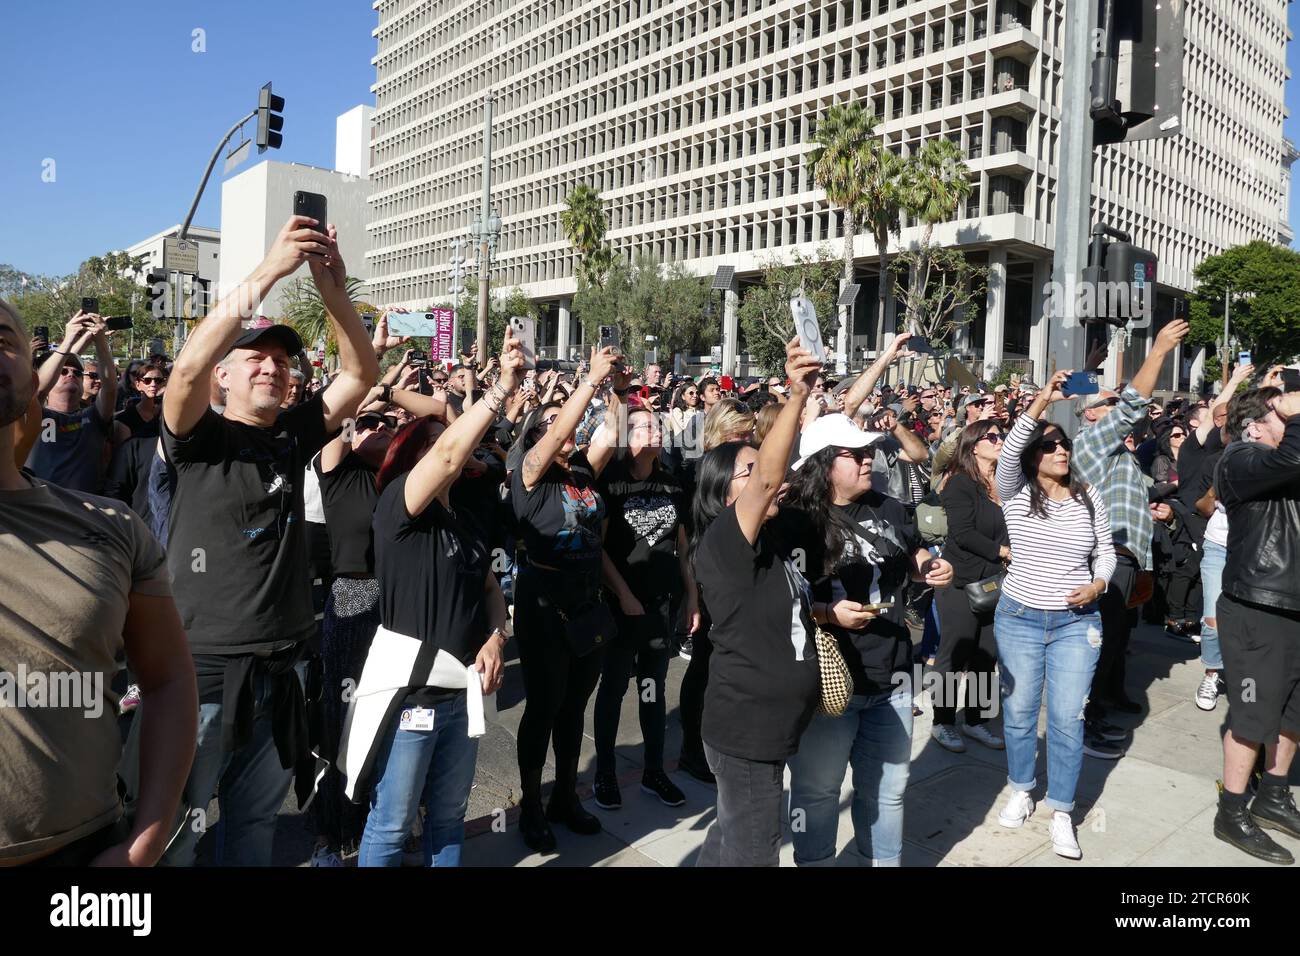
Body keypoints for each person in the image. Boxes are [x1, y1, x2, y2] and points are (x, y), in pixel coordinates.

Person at [157, 216, 380, 866]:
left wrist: (329, 287)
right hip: (201, 678)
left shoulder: (291, 434)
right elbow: (185, 368)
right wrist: (270, 270)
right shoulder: (199, 438)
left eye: (283, 361)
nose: (274, 369)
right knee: (175, 838)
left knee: (251, 832)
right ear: (222, 377)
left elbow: (360, 373)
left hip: (285, 672)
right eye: (256, 357)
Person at [0, 298, 198, 866]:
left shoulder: (114, 530)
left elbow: (167, 680)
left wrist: (144, 844)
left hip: (83, 857)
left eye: (2, 338)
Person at [338, 331, 523, 866]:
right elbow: (445, 454)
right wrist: (495, 394)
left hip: (461, 698)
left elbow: (490, 589)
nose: (459, 448)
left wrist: (495, 635)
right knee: (392, 825)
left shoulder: (464, 521)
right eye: (444, 441)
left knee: (448, 819)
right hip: (410, 699)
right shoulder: (398, 508)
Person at [781, 414, 954, 866]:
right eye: (854, 454)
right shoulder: (794, 521)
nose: (867, 460)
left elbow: (912, 548)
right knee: (816, 794)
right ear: (822, 462)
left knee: (888, 794)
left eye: (868, 452)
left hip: (893, 678)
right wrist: (825, 612)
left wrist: (926, 566)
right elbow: (771, 603)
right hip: (829, 685)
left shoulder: (889, 506)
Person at [691, 337, 821, 867]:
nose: (770, 482)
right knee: (753, 855)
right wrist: (794, 393)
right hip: (746, 735)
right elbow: (769, 475)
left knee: (729, 838)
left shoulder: (769, 542)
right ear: (726, 495)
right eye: (746, 473)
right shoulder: (725, 541)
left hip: (766, 732)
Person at [993, 369, 1115, 860]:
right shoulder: (1016, 494)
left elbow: (1104, 551)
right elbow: (1007, 453)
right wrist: (1044, 398)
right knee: (1021, 712)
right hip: (1019, 616)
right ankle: (1022, 787)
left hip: (1076, 623)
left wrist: (1099, 582)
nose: (1060, 451)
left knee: (1067, 717)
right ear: (1032, 457)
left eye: (1063, 445)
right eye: (1049, 447)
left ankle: (1061, 809)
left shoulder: (1089, 497)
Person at [509, 345, 624, 853]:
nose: (567, 429)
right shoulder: (529, 474)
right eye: (554, 423)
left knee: (575, 706)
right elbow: (557, 430)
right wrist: (586, 381)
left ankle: (564, 798)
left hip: (586, 602)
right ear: (535, 435)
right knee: (544, 706)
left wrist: (613, 387)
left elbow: (612, 431)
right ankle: (531, 803)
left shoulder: (580, 473)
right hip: (544, 605)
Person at [1072, 319, 1189, 747]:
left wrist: (1161, 511)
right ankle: (1088, 714)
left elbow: (1142, 495)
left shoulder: (1121, 456)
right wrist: (1157, 351)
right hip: (1108, 558)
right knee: (1098, 643)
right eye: (1109, 404)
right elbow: (1133, 407)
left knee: (1118, 639)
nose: (1118, 409)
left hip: (1132, 558)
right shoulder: (1088, 444)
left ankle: (1109, 696)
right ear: (1092, 414)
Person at [593, 401, 700, 810]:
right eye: (644, 428)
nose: (655, 432)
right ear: (626, 436)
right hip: (621, 609)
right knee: (613, 689)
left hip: (658, 609)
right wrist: (622, 593)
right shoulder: (611, 484)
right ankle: (605, 773)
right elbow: (599, 549)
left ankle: (654, 772)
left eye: (658, 426)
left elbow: (683, 546)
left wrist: (692, 597)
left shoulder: (673, 485)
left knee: (652, 691)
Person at [1212, 386, 1300, 865]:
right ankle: (1232, 809)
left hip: (1294, 605)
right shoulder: (1239, 459)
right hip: (1256, 605)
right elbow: (1291, 459)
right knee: (1251, 713)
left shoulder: (1286, 463)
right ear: (1255, 426)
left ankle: (1274, 796)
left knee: (1293, 713)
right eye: (1284, 416)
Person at [930, 420, 1010, 752]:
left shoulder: (1005, 482)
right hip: (960, 581)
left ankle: (975, 721)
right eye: (992, 436)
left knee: (986, 654)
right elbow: (962, 533)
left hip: (994, 581)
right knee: (955, 652)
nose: (999, 440)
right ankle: (943, 722)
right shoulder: (959, 484)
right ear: (974, 445)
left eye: (1001, 435)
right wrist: (1003, 551)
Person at [26, 312, 117, 493]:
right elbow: (40, 388)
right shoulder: (32, 413)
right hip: (40, 511)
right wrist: (68, 340)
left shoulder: (94, 416)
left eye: (77, 373)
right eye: (63, 371)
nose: (70, 375)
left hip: (84, 512)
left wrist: (100, 341)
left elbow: (110, 389)